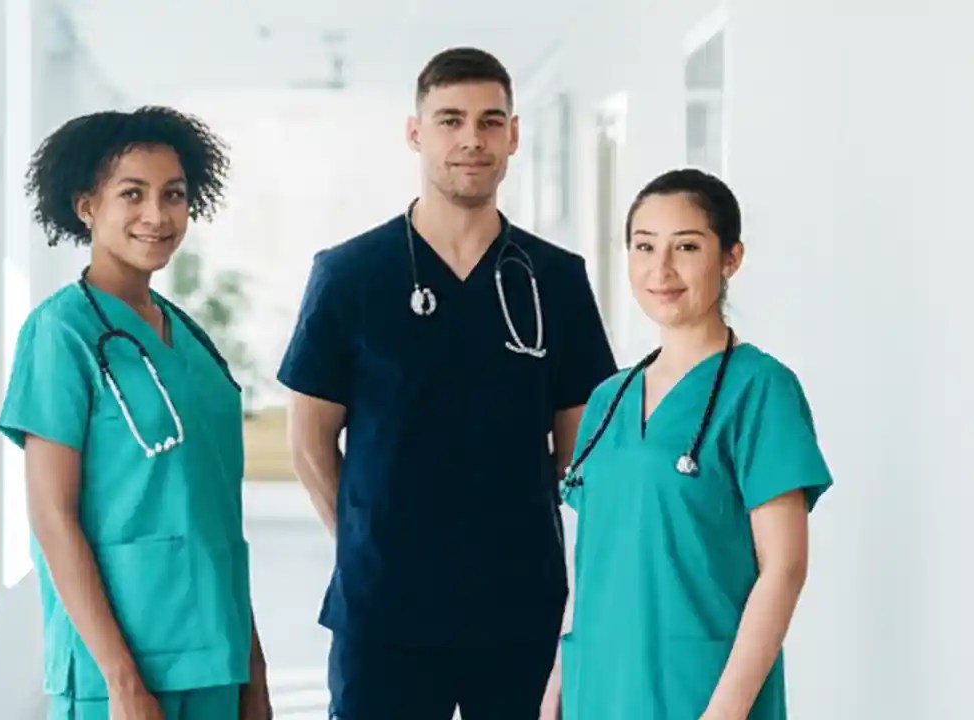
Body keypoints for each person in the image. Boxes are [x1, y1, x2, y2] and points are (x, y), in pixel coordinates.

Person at [278, 47, 617, 719]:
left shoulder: (556, 279)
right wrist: (364, 538)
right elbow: (310, 442)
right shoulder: (349, 276)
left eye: (491, 122)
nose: (472, 139)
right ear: (415, 132)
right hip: (384, 613)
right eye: (450, 120)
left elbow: (577, 448)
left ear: (514, 136)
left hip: (519, 609)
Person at [0, 106, 272, 720]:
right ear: (87, 205)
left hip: (214, 658)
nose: (157, 215)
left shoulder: (191, 339)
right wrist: (121, 681)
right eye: (133, 194)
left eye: (173, 195)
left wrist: (252, 669)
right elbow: (52, 515)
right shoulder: (60, 332)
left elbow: (216, 516)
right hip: (118, 671)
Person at [554, 168, 834, 719]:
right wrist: (555, 687)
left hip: (700, 694)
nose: (661, 269)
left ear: (731, 258)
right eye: (644, 247)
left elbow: (784, 568)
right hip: (598, 688)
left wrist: (722, 714)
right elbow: (593, 570)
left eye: (686, 246)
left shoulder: (760, 390)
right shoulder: (608, 399)